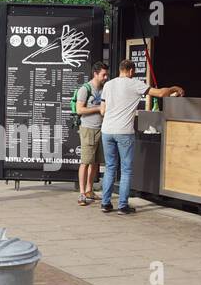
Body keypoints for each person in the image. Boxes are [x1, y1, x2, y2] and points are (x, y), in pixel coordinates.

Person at [100, 60, 183, 214]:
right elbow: (160, 93)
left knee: (110, 167)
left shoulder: (108, 85)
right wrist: (174, 88)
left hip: (107, 130)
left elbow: (103, 110)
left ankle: (105, 204)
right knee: (126, 170)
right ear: (131, 71)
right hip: (124, 131)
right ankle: (123, 206)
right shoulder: (134, 84)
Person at [75, 60, 108, 206]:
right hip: (88, 129)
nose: (106, 77)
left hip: (102, 128)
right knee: (86, 162)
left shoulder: (104, 89)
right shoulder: (85, 89)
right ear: (95, 74)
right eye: (103, 75)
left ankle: (89, 190)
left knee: (96, 162)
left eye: (106, 74)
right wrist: (98, 109)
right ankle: (82, 193)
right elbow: (79, 110)